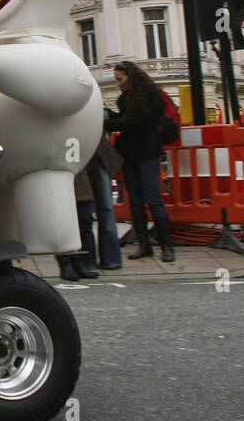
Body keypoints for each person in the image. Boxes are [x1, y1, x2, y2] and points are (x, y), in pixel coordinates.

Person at [106, 60, 173, 262]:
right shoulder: (127, 98)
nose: (118, 83)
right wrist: (112, 117)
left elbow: (133, 121)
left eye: (120, 79)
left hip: (146, 152)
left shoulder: (148, 96)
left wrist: (108, 122)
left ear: (130, 76)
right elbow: (126, 119)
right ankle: (145, 245)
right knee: (135, 201)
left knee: (153, 200)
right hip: (131, 153)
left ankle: (166, 247)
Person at [87, 135, 124, 269]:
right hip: (92, 155)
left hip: (90, 155)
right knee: (102, 210)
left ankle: (93, 260)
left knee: (99, 210)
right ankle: (110, 258)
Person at [57, 169, 100, 281]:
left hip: (80, 176)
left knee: (84, 223)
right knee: (62, 225)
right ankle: (65, 264)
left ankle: (78, 263)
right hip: (58, 178)